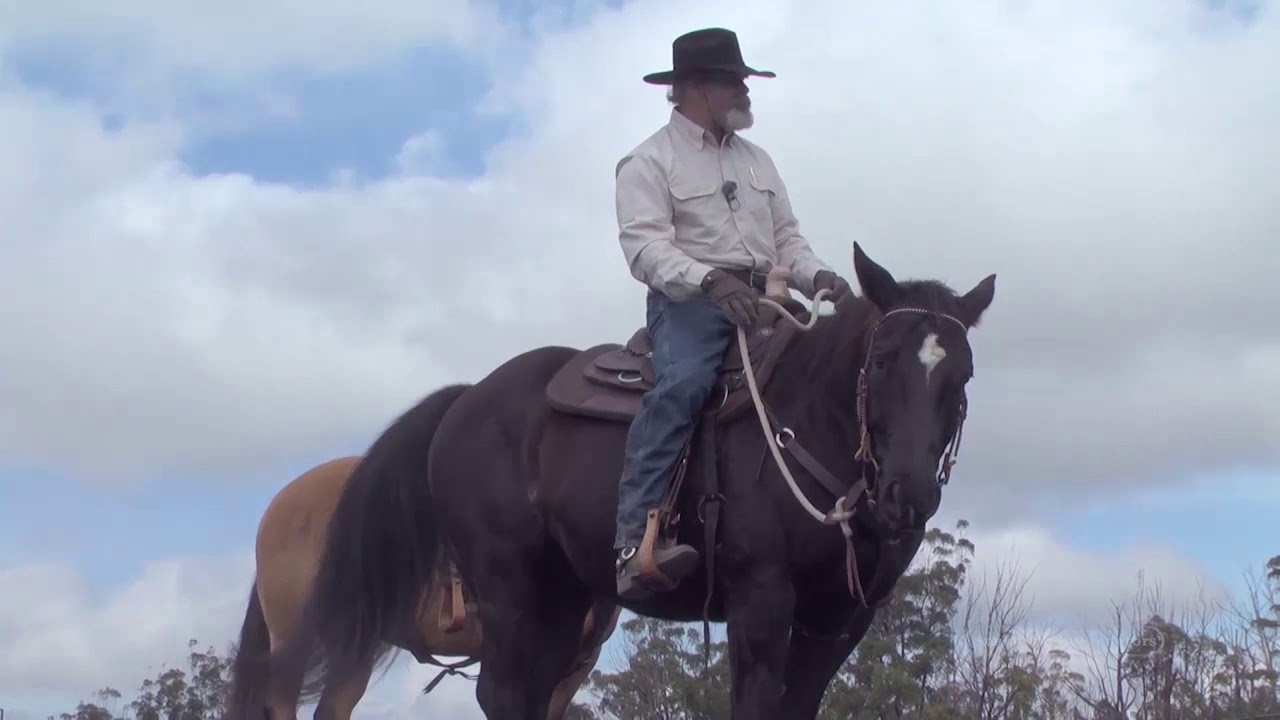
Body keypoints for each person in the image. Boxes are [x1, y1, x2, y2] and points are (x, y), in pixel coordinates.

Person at [612, 27, 853, 601]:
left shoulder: (757, 162)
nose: (745, 90)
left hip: (767, 302)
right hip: (689, 304)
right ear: (694, 87)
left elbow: (787, 238)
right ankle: (633, 541)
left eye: (745, 80)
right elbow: (644, 248)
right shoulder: (648, 162)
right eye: (733, 81)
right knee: (684, 385)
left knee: (835, 369)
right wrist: (710, 281)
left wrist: (814, 273)